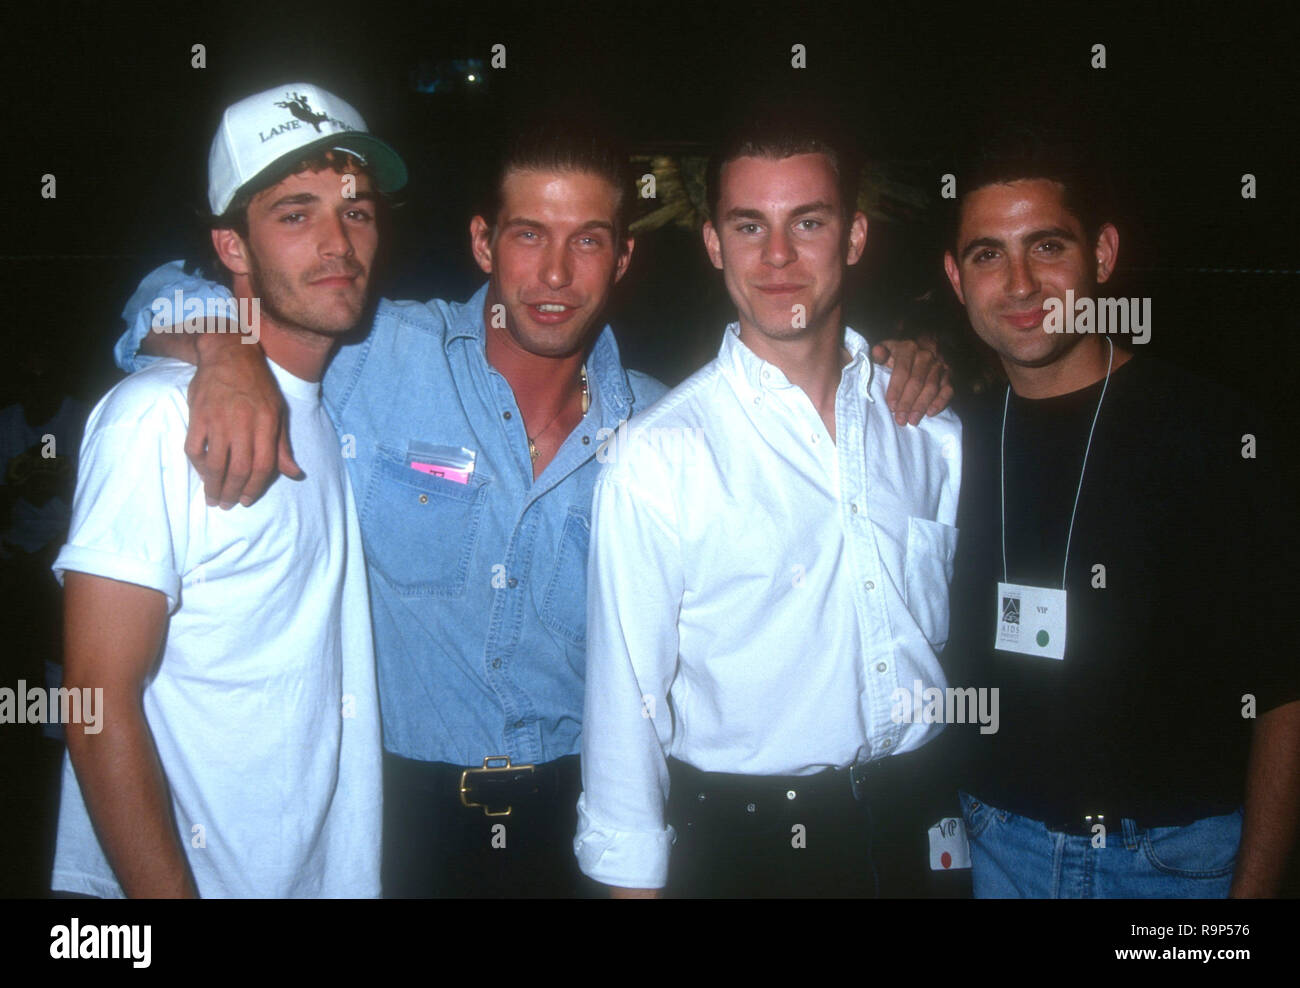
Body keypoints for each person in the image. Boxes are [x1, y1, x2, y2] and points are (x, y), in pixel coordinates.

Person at [116, 104, 951, 897]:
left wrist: (897, 366)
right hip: (393, 816)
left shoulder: (658, 433)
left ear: (624, 259)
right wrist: (225, 344)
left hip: (578, 822)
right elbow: (168, 285)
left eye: (588, 240)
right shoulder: (375, 355)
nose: (555, 273)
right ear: (484, 242)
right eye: (528, 235)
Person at [575, 102, 965, 898]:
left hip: (924, 822)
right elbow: (626, 711)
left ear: (854, 236)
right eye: (750, 226)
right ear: (714, 243)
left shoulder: (933, 431)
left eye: (809, 222)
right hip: (746, 846)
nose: (779, 255)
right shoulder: (658, 458)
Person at [52, 81, 407, 896]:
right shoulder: (153, 422)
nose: (337, 244)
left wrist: (222, 344)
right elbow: (94, 701)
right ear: (233, 247)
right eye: (295, 214)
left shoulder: (335, 402)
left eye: (355, 211)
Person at [939, 125, 1300, 898]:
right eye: (986, 255)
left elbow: (1286, 690)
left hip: (1177, 865)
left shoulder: (1216, 435)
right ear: (956, 277)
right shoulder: (944, 441)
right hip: (996, 848)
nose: (1020, 284)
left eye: (1047, 246)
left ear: (1101, 255)